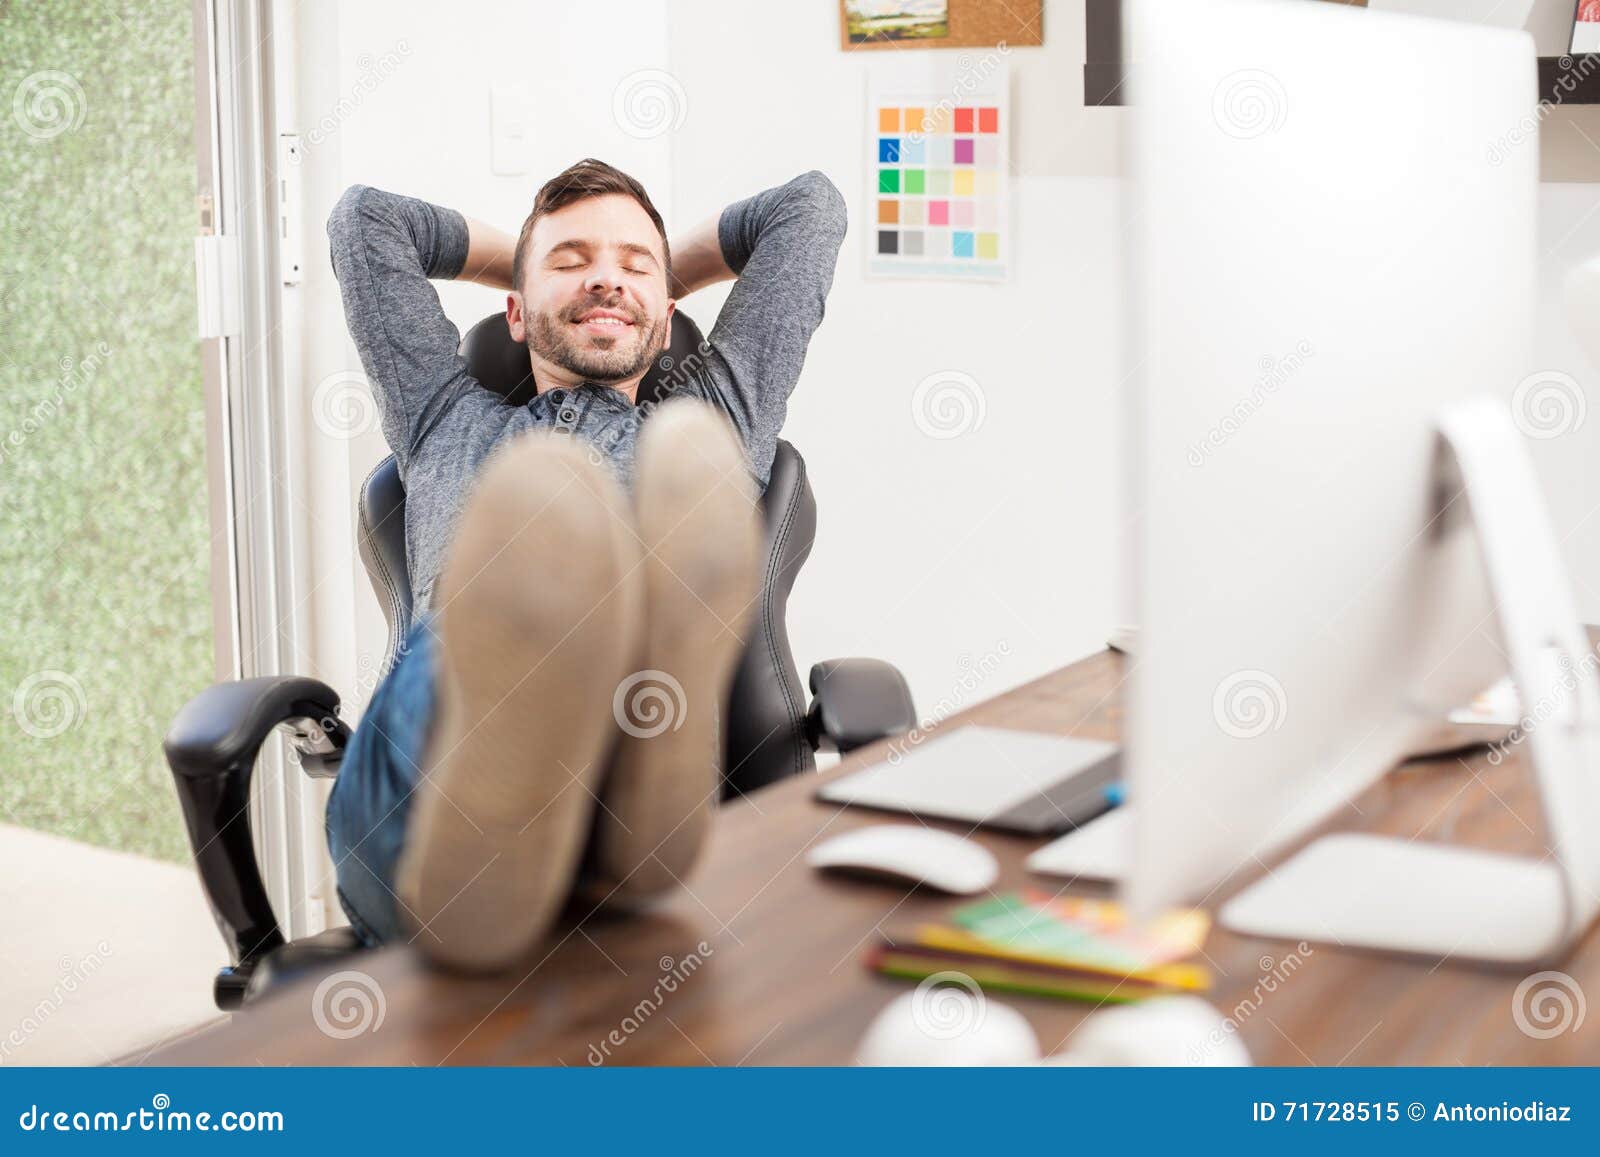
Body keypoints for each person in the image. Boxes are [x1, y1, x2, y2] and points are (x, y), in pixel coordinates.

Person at [320, 160, 847, 970]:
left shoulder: (713, 422)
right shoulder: (442, 417)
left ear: (668, 318)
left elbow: (809, 210)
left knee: (684, 478)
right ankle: (522, 846)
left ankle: (626, 804)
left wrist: (617, 274)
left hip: (631, 713)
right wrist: (536, 266)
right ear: (518, 315)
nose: (606, 280)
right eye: (572, 262)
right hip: (440, 752)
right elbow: (364, 222)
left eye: (634, 267)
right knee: (476, 623)